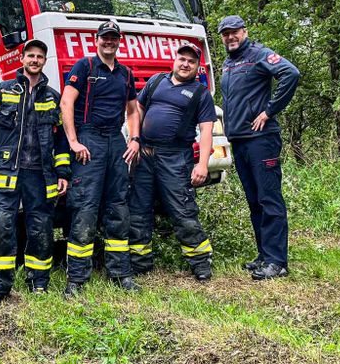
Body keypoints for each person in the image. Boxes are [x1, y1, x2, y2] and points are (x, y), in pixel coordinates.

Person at [0, 39, 71, 308]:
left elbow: (62, 139)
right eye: (31, 55)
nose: (35, 60)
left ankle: (38, 282)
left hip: (40, 176)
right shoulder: (2, 91)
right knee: (2, 227)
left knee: (41, 228)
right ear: (22, 59)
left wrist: (62, 171)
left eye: (40, 56)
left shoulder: (53, 97)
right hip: (7, 173)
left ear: (44, 61)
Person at [59, 19, 141, 297]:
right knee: (85, 207)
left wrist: (134, 138)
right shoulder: (85, 66)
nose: (109, 42)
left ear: (119, 41)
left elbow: (132, 111)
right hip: (89, 140)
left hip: (115, 141)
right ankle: (77, 279)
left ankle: (121, 274)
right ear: (97, 40)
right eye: (105, 37)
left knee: (118, 205)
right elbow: (66, 102)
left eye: (113, 38)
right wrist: (73, 141)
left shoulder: (125, 73)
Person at [218, 15, 300, 280]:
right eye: (225, 34)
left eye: (234, 32)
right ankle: (264, 256)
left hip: (261, 139)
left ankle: (277, 262)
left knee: (269, 199)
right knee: (254, 201)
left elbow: (291, 73)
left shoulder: (258, 54)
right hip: (239, 139)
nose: (230, 37)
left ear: (244, 31)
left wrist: (269, 111)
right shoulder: (228, 64)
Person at [128, 43, 217, 281]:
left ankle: (201, 264)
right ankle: (140, 263)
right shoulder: (156, 81)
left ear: (197, 67)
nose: (185, 64)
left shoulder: (200, 93)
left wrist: (203, 165)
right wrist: (135, 139)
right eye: (182, 59)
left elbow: (206, 131)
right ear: (174, 60)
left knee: (182, 210)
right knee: (139, 209)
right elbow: (137, 107)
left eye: (191, 61)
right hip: (145, 155)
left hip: (176, 158)